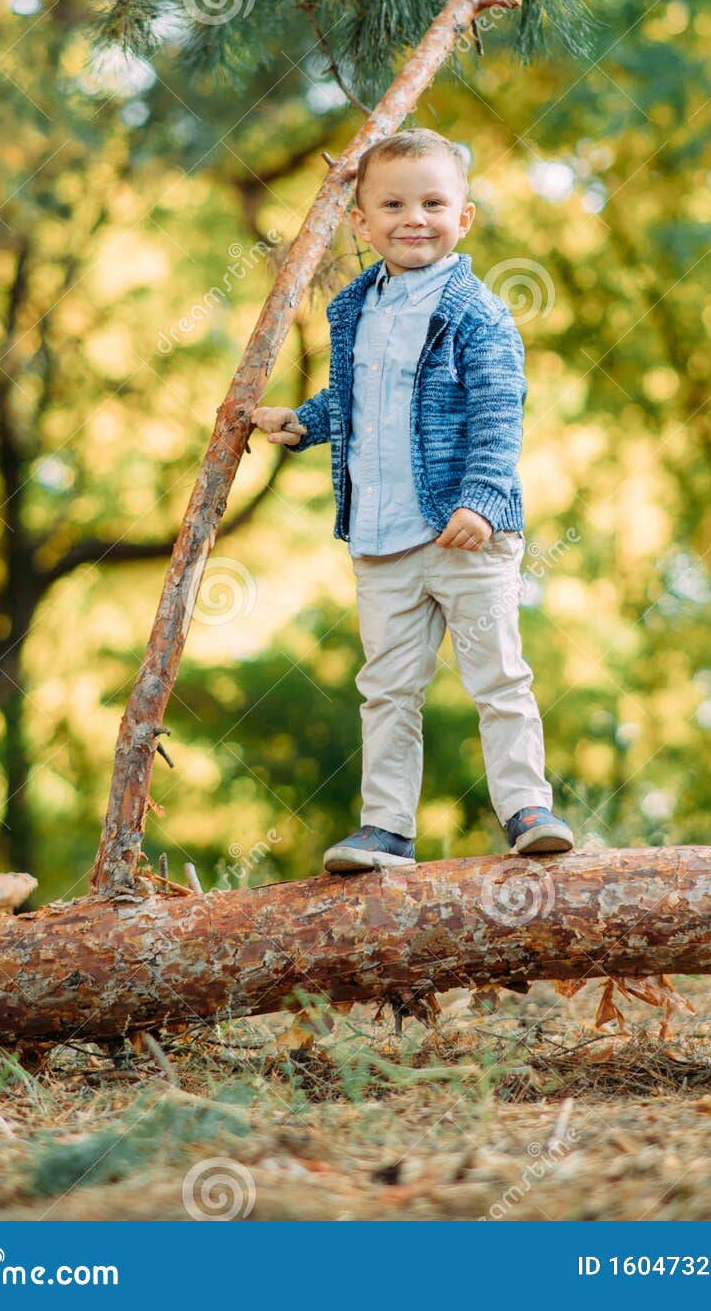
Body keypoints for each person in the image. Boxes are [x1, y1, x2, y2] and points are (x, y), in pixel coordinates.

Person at [251, 127, 574, 872]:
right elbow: (358, 397)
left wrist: (483, 499)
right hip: (380, 537)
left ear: (462, 218)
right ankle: (386, 827)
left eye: (432, 202)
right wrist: (304, 422)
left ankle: (527, 808)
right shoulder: (354, 307)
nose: (413, 218)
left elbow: (499, 411)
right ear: (360, 223)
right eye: (392, 204)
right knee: (387, 689)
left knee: (497, 675)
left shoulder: (476, 312)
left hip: (465, 531)